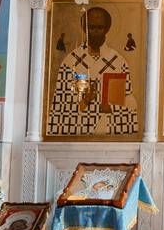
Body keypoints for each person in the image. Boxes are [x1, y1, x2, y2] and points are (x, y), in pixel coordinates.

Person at [47, 7, 136, 137]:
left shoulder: (117, 62)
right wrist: (84, 101)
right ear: (85, 29)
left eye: (100, 28)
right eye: (91, 27)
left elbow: (129, 101)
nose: (95, 32)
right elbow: (61, 106)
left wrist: (112, 108)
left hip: (107, 130)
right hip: (79, 129)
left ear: (106, 29)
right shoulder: (71, 62)